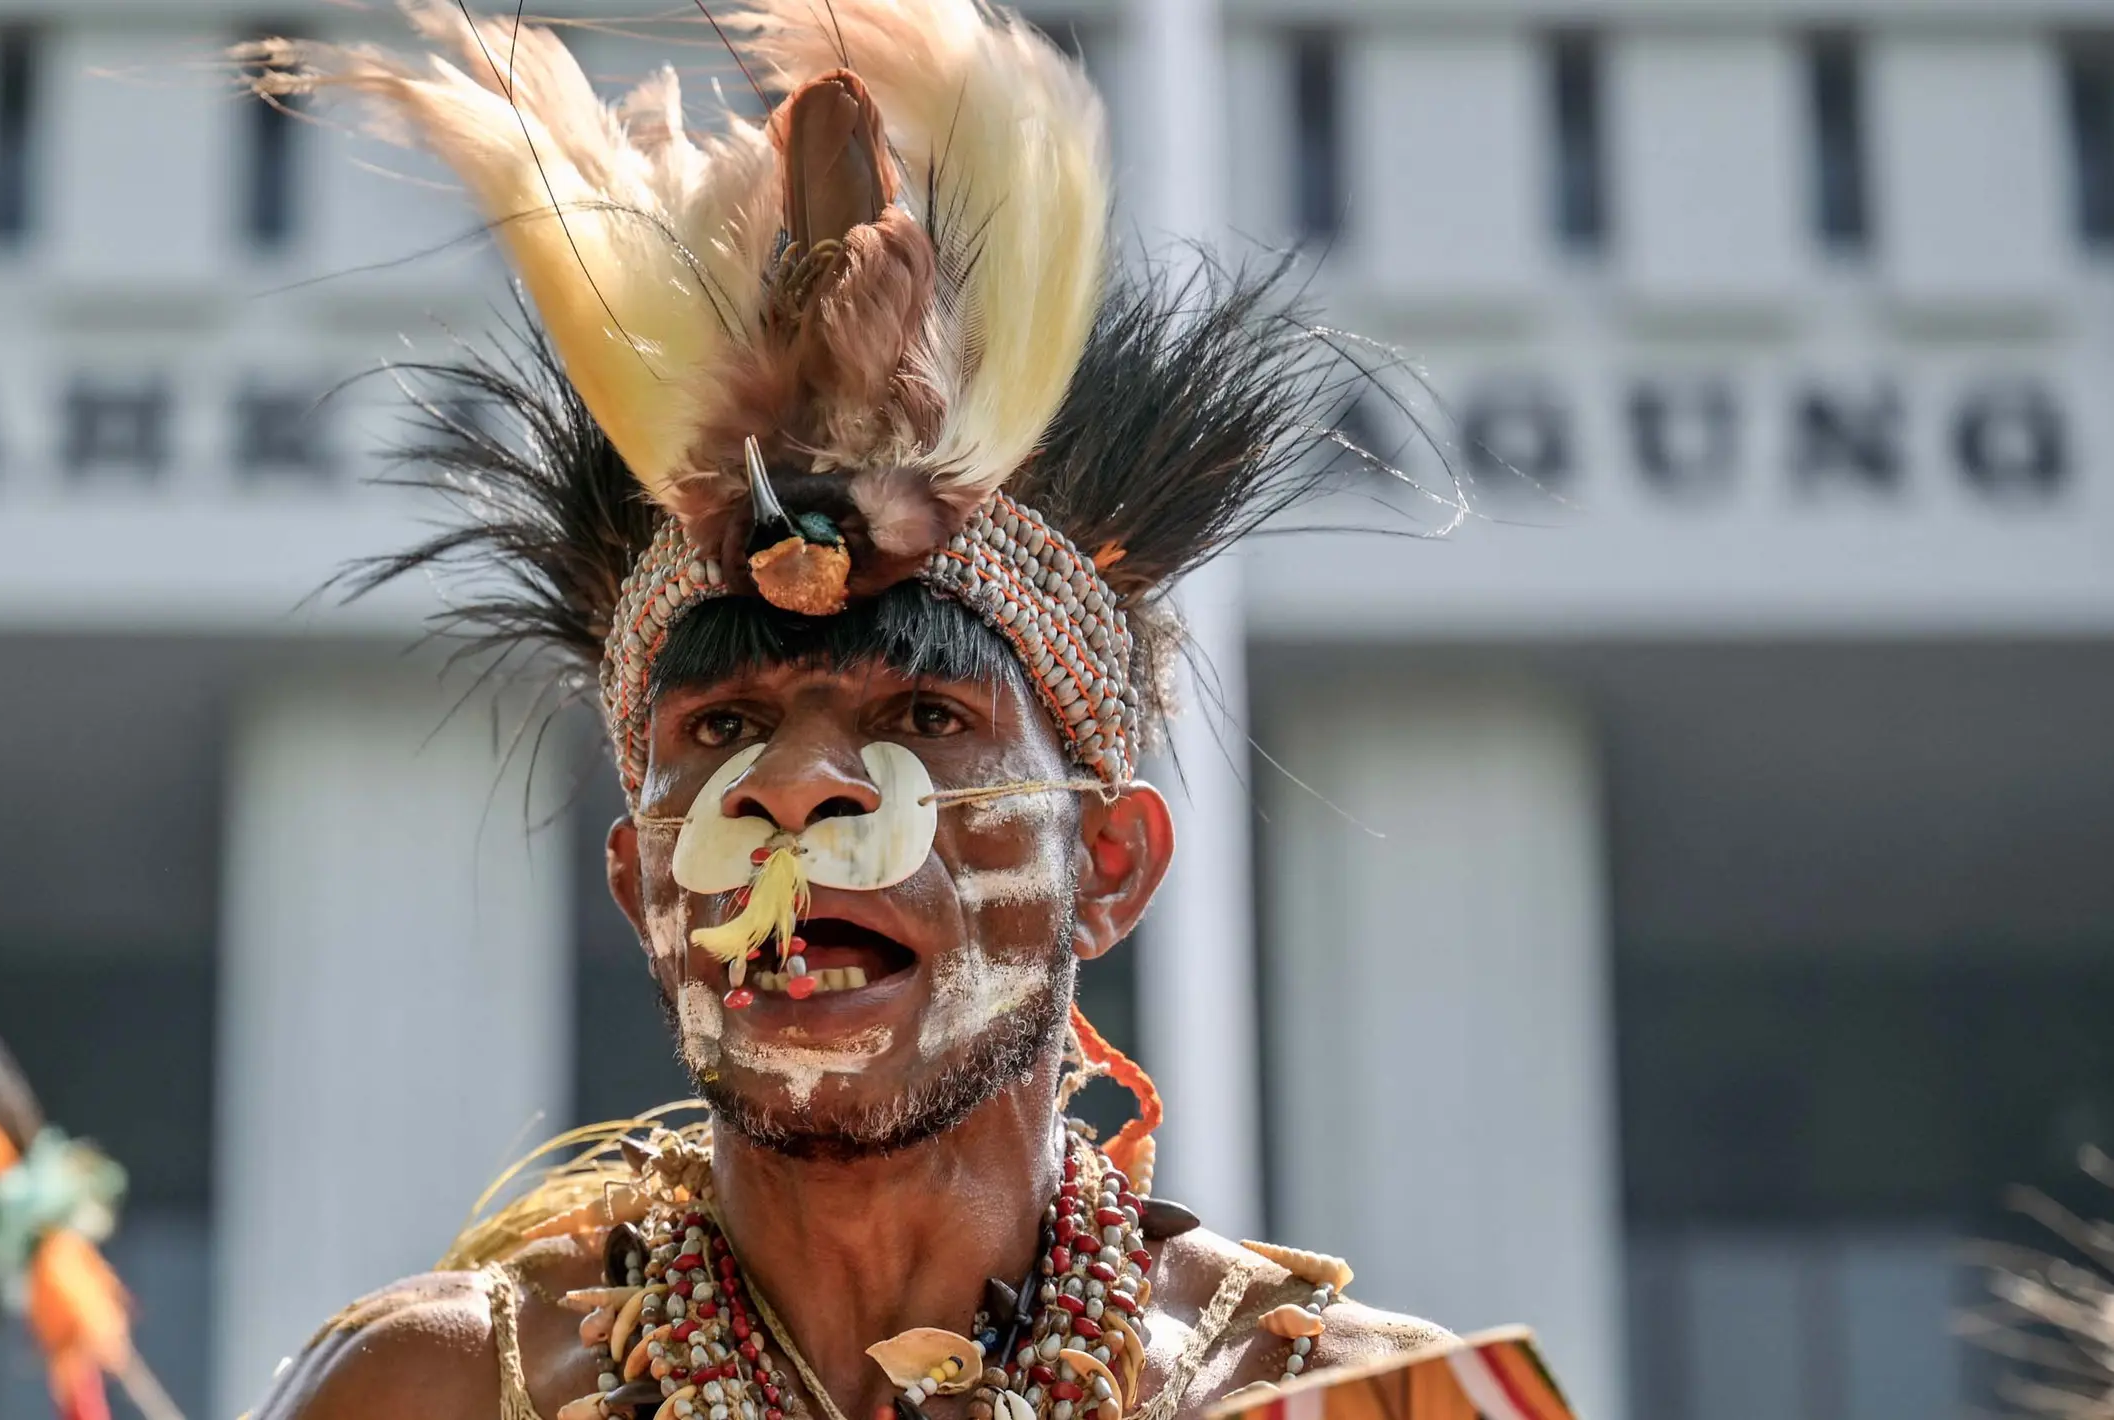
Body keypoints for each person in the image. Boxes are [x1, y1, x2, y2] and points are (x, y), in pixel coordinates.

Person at [236, 2, 1455, 1418]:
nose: (792, 793)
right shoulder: (433, 1392)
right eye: (718, 729)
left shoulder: (1355, 1398)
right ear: (639, 890)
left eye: (929, 718)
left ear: (1106, 866)